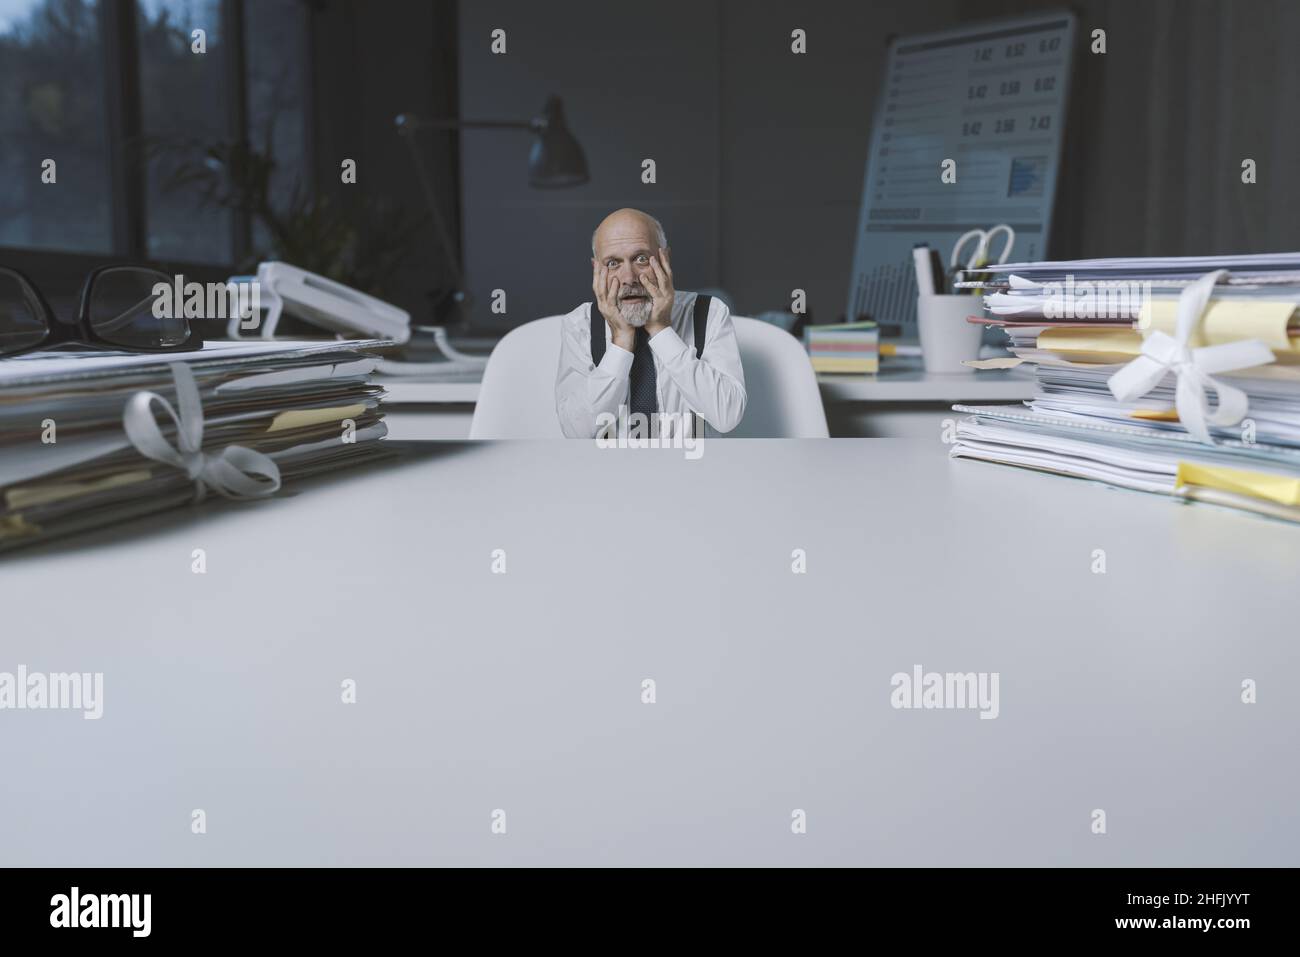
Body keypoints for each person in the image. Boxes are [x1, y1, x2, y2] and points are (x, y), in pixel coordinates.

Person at [555, 208, 746, 438]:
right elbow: (576, 431)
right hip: (610, 462)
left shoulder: (709, 313)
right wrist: (621, 342)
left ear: (665, 259)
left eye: (641, 259)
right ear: (596, 269)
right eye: (613, 263)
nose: (629, 278)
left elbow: (727, 416)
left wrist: (661, 330)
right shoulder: (580, 324)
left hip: (691, 460)